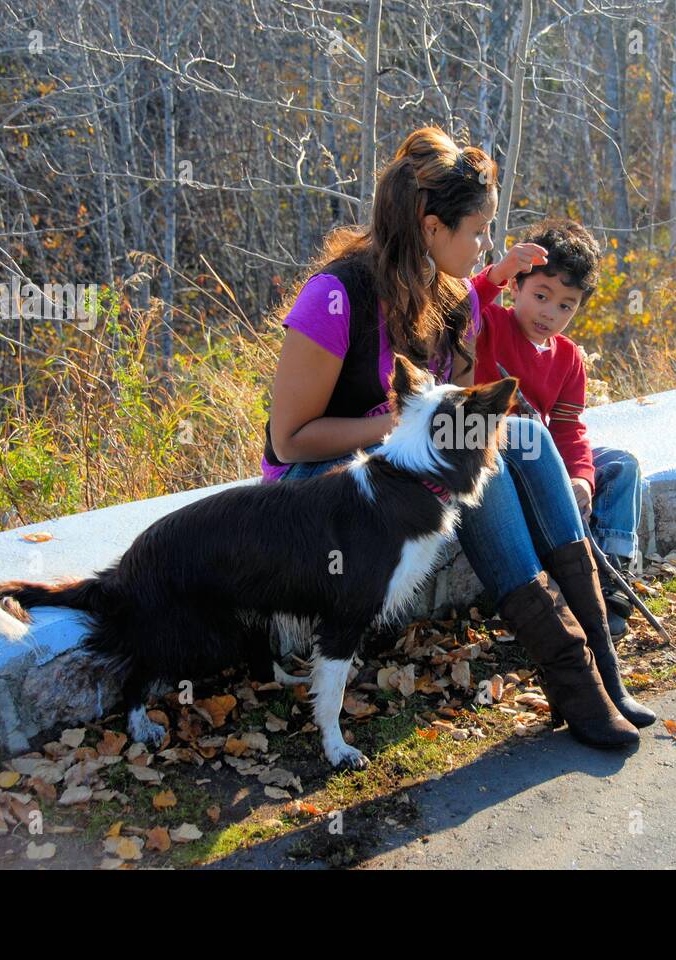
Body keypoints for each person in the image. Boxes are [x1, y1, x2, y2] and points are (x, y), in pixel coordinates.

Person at [260, 126, 648, 747]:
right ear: (431, 225)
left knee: (522, 440)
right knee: (487, 471)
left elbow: (466, 415)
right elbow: (289, 442)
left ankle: (595, 670)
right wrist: (403, 426)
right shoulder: (334, 298)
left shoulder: (456, 300)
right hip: (324, 488)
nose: (486, 245)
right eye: (478, 229)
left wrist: (488, 433)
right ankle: (578, 679)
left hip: (409, 466)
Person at [469, 218, 651, 719]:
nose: (549, 314)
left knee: (622, 467)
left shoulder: (569, 359)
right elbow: (461, 308)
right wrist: (495, 273)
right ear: (518, 289)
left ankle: (608, 588)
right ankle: (575, 619)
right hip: (507, 462)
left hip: (554, 471)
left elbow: (571, 427)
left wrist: (581, 478)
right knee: (529, 442)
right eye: (541, 296)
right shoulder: (493, 328)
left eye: (565, 306)